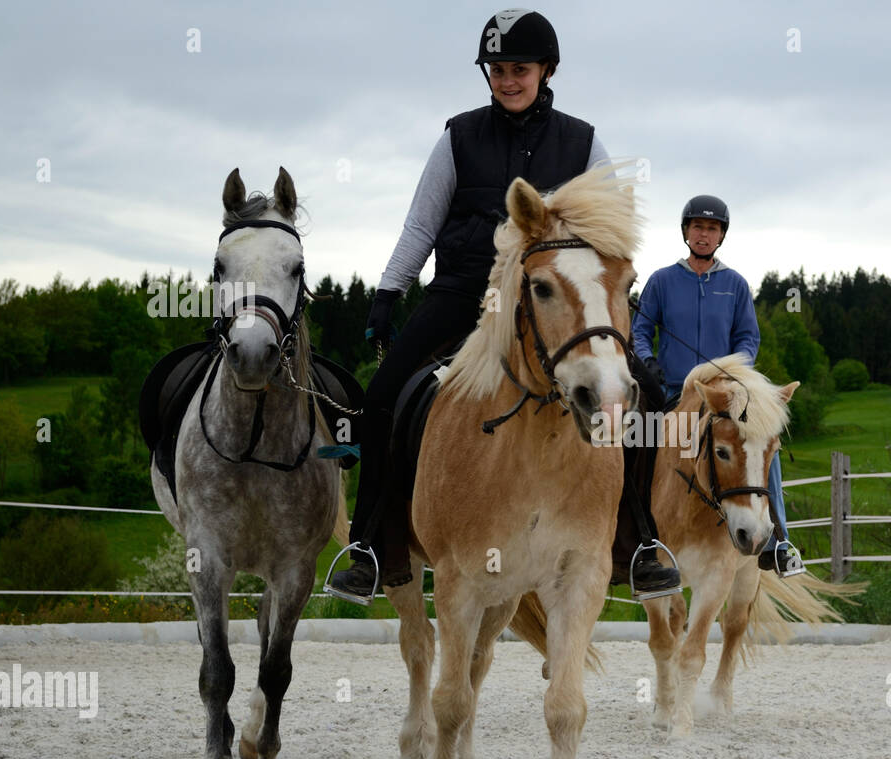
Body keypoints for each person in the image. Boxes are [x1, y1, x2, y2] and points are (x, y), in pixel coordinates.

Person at [327, 8, 680, 601]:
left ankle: (640, 539)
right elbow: (422, 223)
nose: (506, 80)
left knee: (642, 395)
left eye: (518, 68)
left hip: (554, 300)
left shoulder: (585, 141)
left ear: (547, 69)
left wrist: (612, 307)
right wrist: (390, 291)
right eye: (495, 69)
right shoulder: (458, 135)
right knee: (385, 393)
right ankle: (367, 544)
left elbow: (614, 237)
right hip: (468, 287)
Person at [630, 195, 804, 577]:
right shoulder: (661, 281)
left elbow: (747, 340)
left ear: (721, 235)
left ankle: (779, 542)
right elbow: (639, 331)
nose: (703, 234)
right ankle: (638, 540)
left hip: (724, 395)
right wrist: (648, 362)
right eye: (697, 227)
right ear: (686, 232)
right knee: (633, 441)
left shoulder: (735, 285)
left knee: (762, 443)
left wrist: (735, 376)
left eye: (711, 229)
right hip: (672, 390)